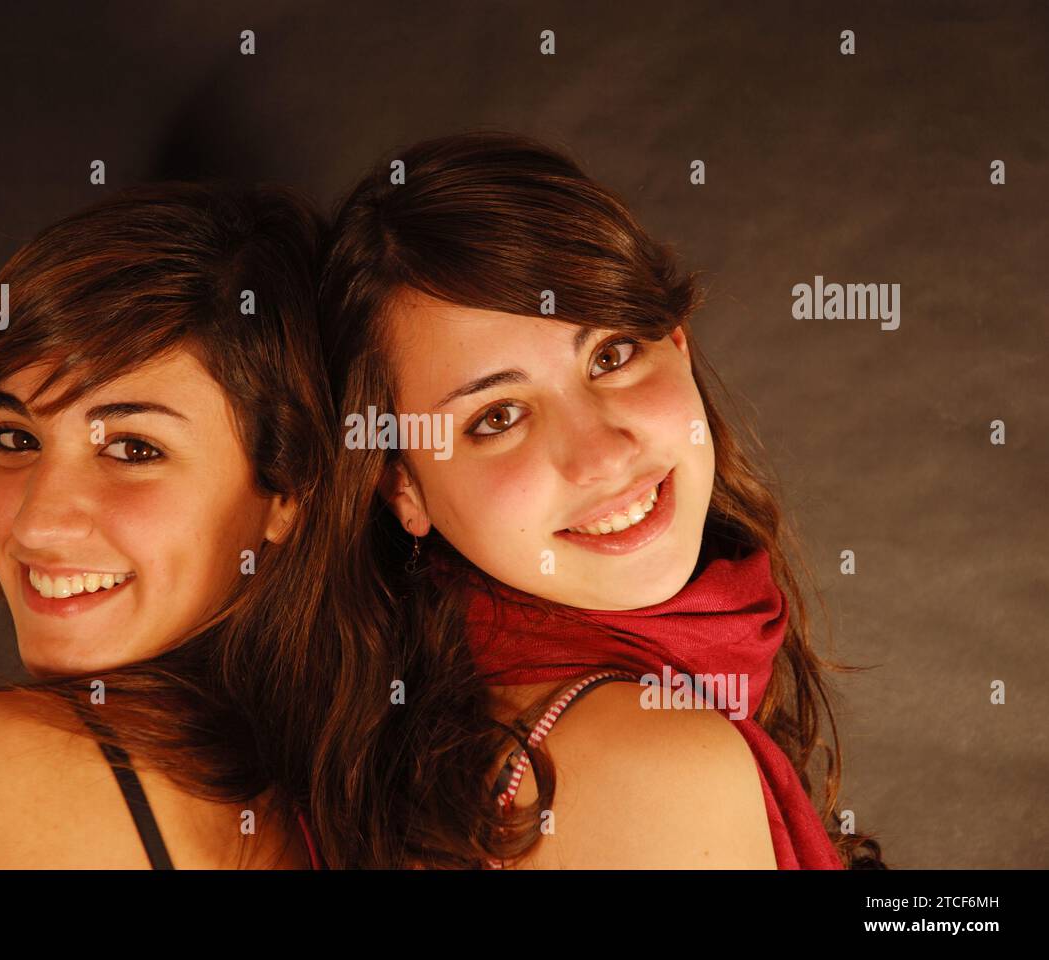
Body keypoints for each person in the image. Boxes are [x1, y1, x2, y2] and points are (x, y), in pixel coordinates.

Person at [312, 130, 887, 868]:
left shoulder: (455, 717)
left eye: (609, 355)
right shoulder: (652, 769)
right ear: (405, 489)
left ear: (676, 343)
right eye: (497, 417)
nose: (603, 453)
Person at [0, 181, 332, 869]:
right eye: (14, 438)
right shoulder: (345, 805)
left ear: (286, 491)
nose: (37, 523)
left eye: (133, 449)